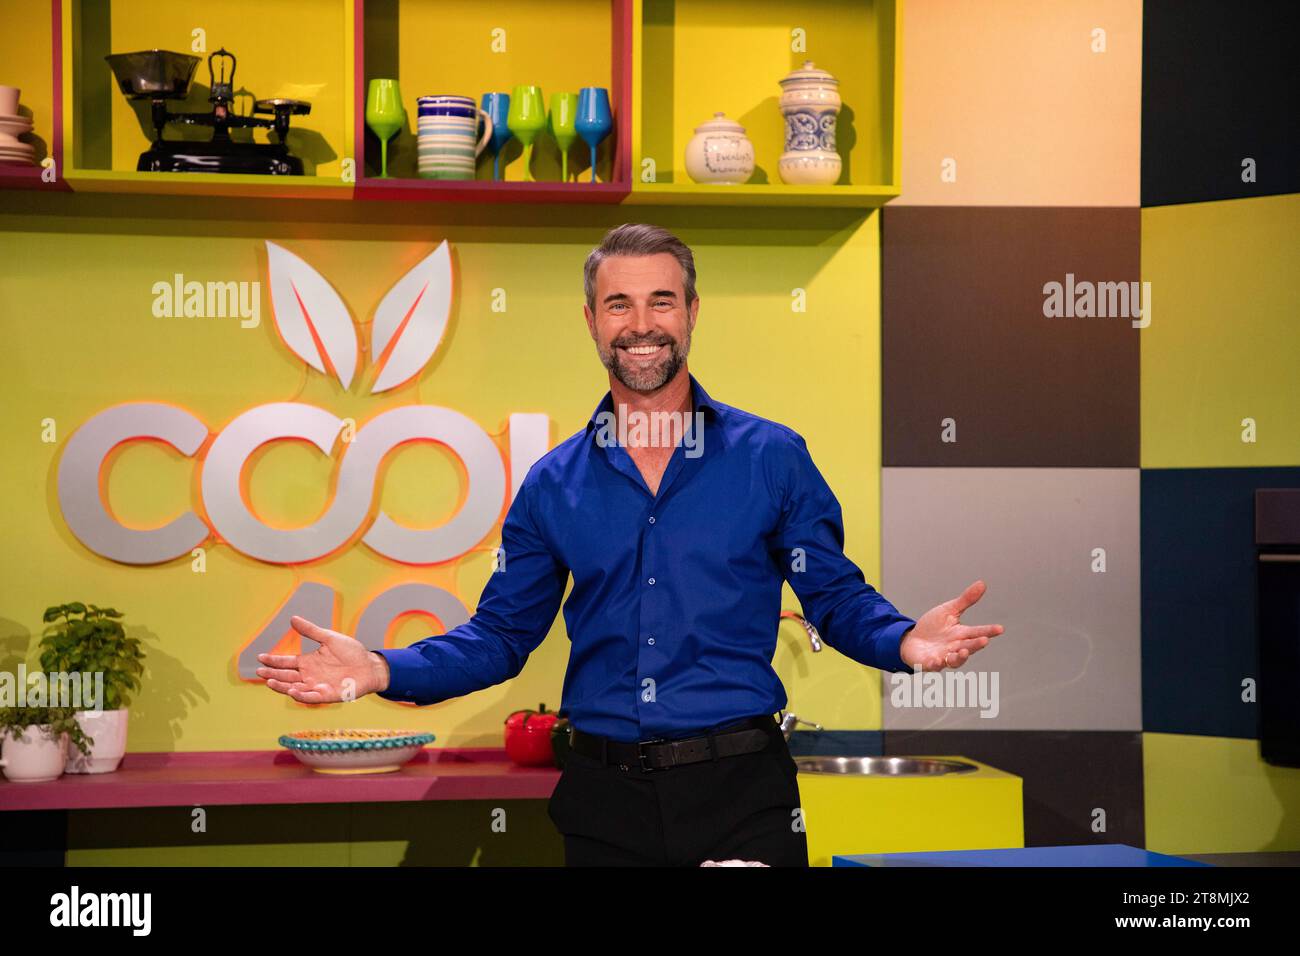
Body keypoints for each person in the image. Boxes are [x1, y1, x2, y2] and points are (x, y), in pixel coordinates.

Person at [256, 223, 1005, 866]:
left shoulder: (772, 458)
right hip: (602, 803)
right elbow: (501, 636)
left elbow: (833, 594)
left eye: (661, 301)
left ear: (691, 313)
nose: (640, 323)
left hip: (741, 792)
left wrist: (902, 640)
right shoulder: (553, 484)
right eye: (619, 303)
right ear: (590, 319)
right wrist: (385, 667)